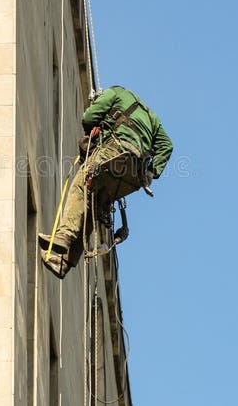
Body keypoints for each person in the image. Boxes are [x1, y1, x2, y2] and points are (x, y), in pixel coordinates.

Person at [39, 85, 173, 279]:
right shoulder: (152, 118)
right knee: (94, 205)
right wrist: (152, 172)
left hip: (114, 151)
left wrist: (94, 130)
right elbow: (166, 145)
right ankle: (65, 261)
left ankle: (64, 236)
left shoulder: (116, 92)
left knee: (81, 187)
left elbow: (89, 117)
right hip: (133, 173)